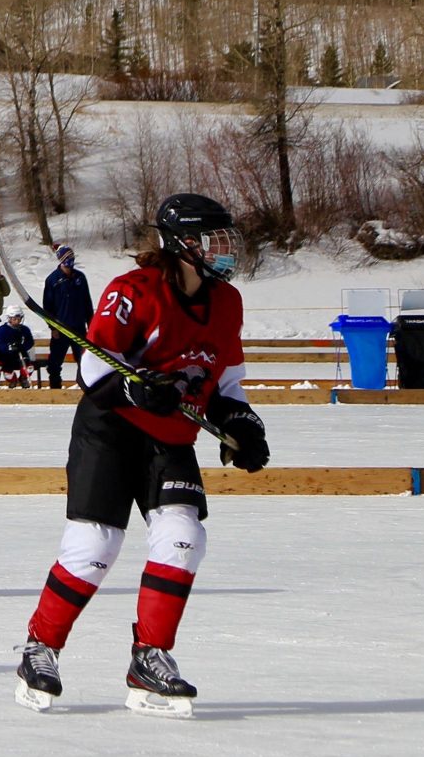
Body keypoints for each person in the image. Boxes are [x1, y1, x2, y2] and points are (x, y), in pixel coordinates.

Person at [15, 193, 270, 718]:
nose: (224, 250)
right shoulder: (133, 291)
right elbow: (93, 372)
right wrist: (137, 390)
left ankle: (150, 657)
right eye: (212, 240)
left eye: (227, 239)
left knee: (184, 537)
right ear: (180, 244)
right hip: (110, 428)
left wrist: (241, 423)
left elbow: (227, 383)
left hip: (171, 436)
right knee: (95, 545)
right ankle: (41, 647)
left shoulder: (228, 302)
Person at [41, 245, 93, 389]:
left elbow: (87, 303)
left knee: (83, 360)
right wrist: (52, 327)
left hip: (79, 327)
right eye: (67, 259)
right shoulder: (52, 280)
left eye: (71, 258)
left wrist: (91, 325)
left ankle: (84, 387)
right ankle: (55, 387)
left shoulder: (80, 278)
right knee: (55, 362)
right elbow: (47, 307)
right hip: (61, 328)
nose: (70, 261)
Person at [1, 312, 38, 388]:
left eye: (19, 319)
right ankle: (12, 381)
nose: (17, 321)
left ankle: (23, 378)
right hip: (8, 356)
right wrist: (8, 347)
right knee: (8, 372)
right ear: (9, 319)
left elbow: (30, 341)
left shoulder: (24, 329)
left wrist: (22, 347)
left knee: (29, 367)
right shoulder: (3, 330)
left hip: (21, 354)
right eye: (14, 319)